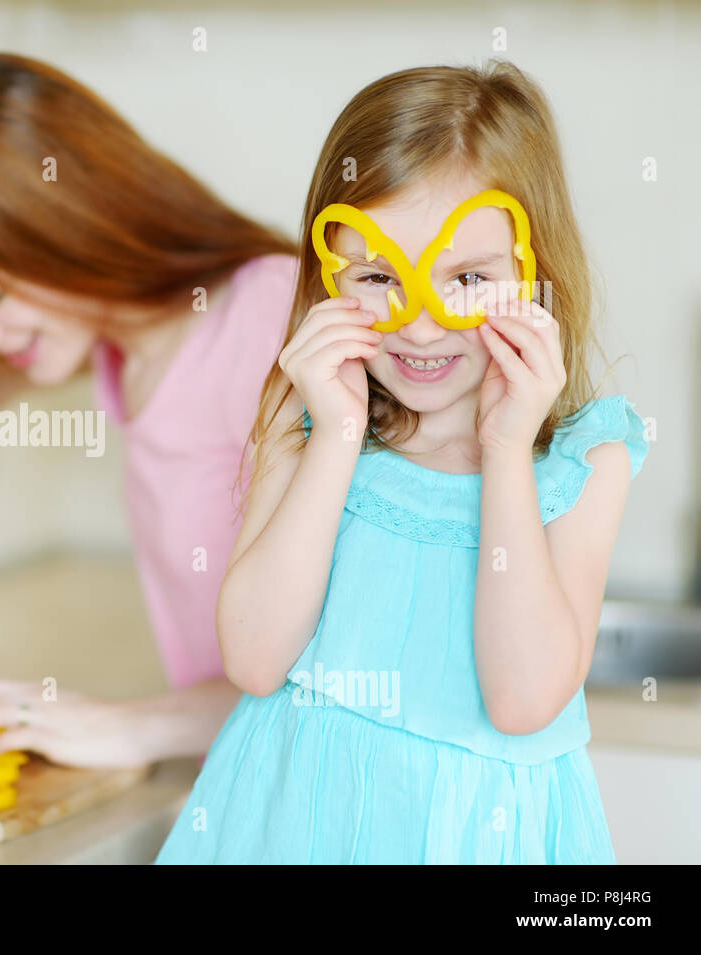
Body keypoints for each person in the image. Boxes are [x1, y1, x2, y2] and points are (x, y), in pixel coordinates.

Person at [156, 60, 648, 863]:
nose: (419, 325)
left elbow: (523, 698)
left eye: (468, 279)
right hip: (288, 821)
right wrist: (339, 432)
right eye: (381, 276)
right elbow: (253, 658)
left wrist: (502, 449)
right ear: (327, 278)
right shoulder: (305, 420)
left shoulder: (583, 461)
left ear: (535, 274)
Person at [0, 53, 298, 767]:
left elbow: (349, 669)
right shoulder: (117, 343)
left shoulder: (267, 320)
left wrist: (135, 727)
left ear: (66, 223)